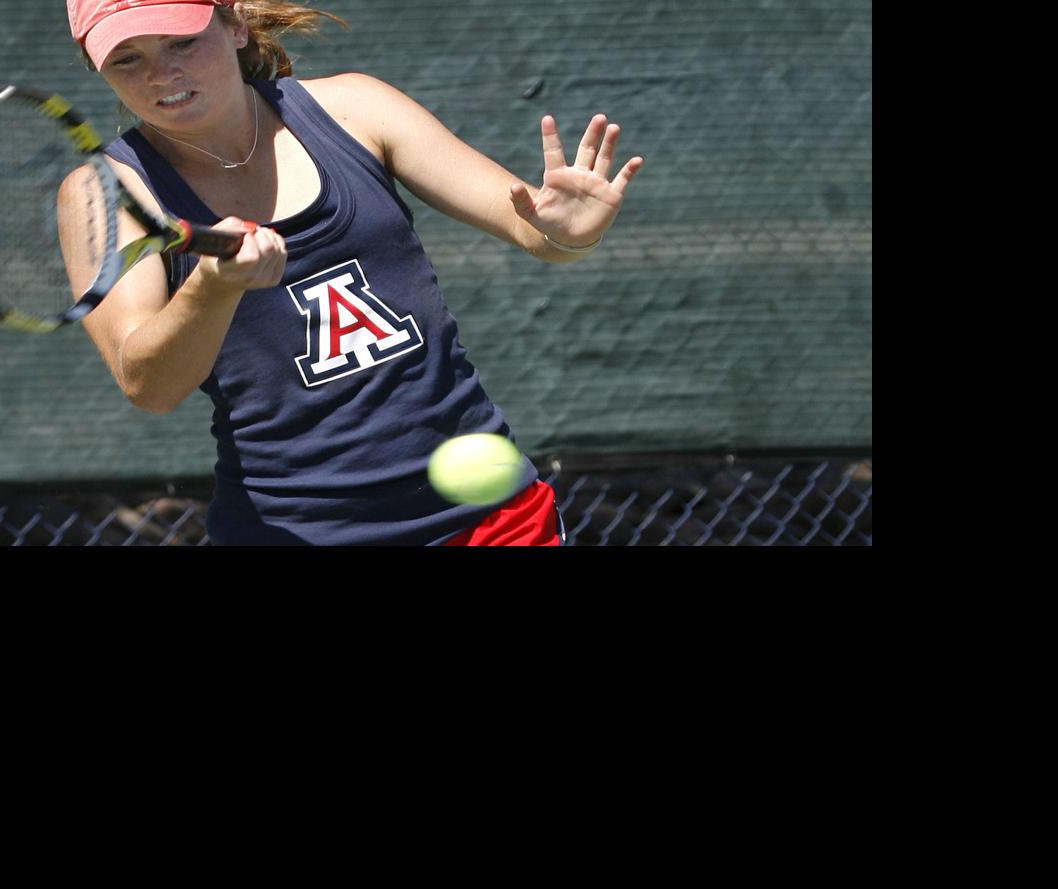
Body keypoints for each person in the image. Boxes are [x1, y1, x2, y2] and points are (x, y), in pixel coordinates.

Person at [61, 0, 643, 545]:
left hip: (494, 521)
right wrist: (214, 287)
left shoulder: (357, 108)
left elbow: (537, 235)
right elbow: (149, 386)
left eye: (181, 42)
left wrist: (572, 233)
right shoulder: (103, 194)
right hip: (293, 530)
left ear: (234, 25)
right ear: (96, 65)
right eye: (127, 58)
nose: (161, 73)